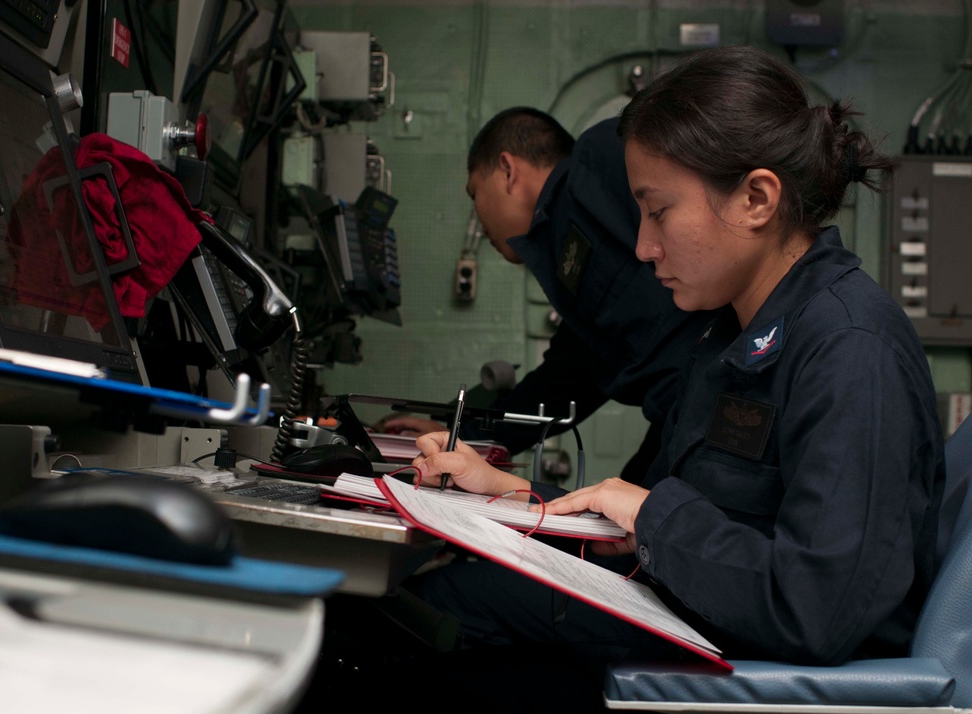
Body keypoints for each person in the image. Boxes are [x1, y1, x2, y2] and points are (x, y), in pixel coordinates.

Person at [363, 45, 951, 713]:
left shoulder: (849, 351)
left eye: (658, 211)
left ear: (756, 198)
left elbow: (817, 609)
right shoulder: (729, 336)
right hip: (693, 616)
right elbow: (682, 518)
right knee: (442, 605)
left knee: (427, 618)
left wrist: (650, 516)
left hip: (745, 664)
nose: (642, 247)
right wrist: (518, 494)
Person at [380, 107, 714, 484]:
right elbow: (570, 375)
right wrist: (461, 432)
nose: (477, 217)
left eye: (475, 192)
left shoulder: (600, 156)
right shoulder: (563, 242)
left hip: (713, 401)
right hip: (684, 415)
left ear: (507, 170)